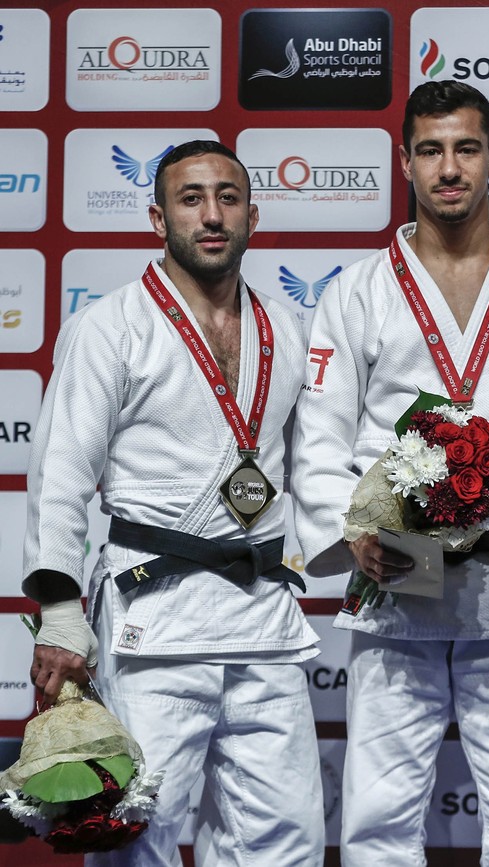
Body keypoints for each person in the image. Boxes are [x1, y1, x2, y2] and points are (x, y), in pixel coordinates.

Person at [290, 81, 489, 866]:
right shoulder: (356, 293)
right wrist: (354, 532)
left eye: (467, 148)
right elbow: (321, 439)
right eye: (431, 150)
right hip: (401, 573)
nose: (449, 167)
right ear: (405, 162)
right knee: (378, 808)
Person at [23, 140, 323, 866]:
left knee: (286, 838)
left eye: (226, 198)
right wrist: (60, 614)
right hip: (154, 620)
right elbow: (60, 473)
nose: (211, 215)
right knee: (140, 840)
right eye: (191, 199)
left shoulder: (285, 326)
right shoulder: (111, 326)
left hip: (264, 622)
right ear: (158, 218)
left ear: (253, 214)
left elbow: (311, 466)